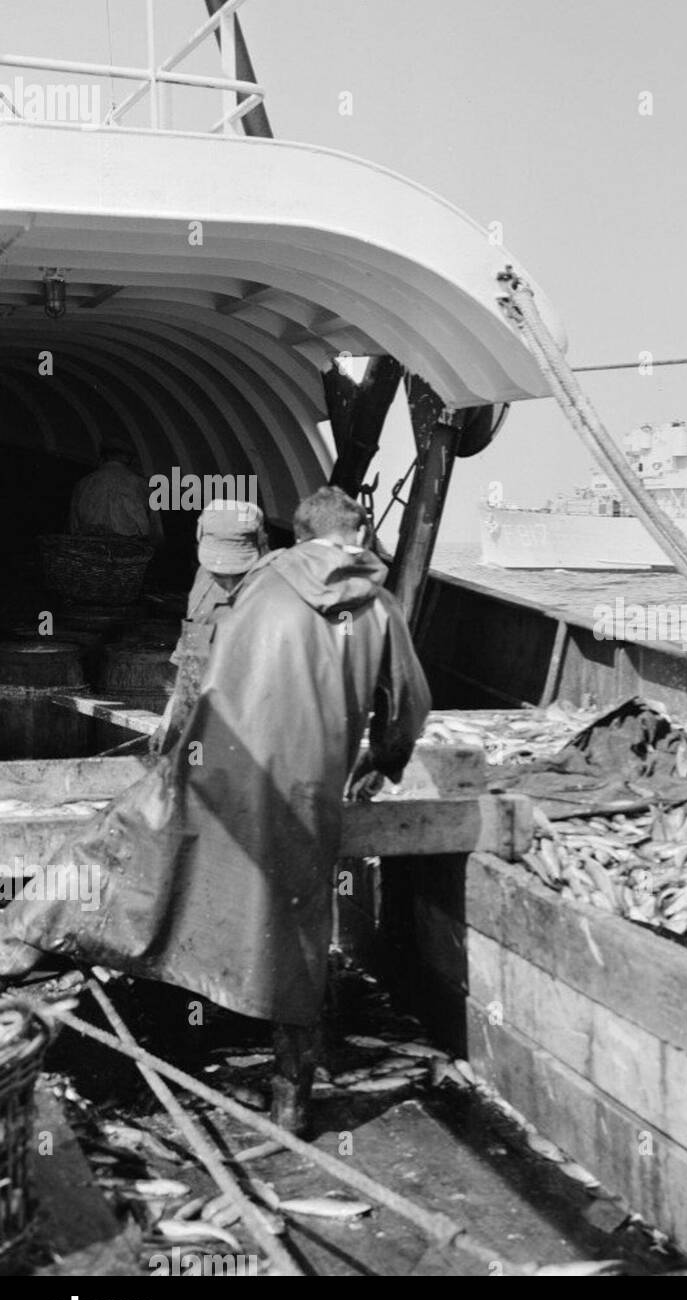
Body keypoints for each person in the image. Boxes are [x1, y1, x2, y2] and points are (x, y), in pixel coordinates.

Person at [0, 486, 432, 1134]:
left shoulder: (259, 588)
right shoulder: (379, 608)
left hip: (217, 775)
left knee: (125, 848)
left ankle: (22, 947)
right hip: (309, 799)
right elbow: (408, 710)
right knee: (299, 939)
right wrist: (385, 762)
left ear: (294, 536)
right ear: (361, 540)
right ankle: (292, 1104)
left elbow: (207, 680)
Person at [151, 500, 268, 757]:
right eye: (218, 571)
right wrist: (168, 722)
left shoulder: (280, 594)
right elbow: (193, 663)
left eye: (238, 572)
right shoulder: (204, 581)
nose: (226, 581)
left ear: (260, 545)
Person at [69, 443, 164, 546]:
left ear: (103, 457)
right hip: (129, 551)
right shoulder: (141, 484)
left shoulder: (83, 484)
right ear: (128, 459)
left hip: (90, 551)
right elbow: (156, 532)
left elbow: (73, 527)